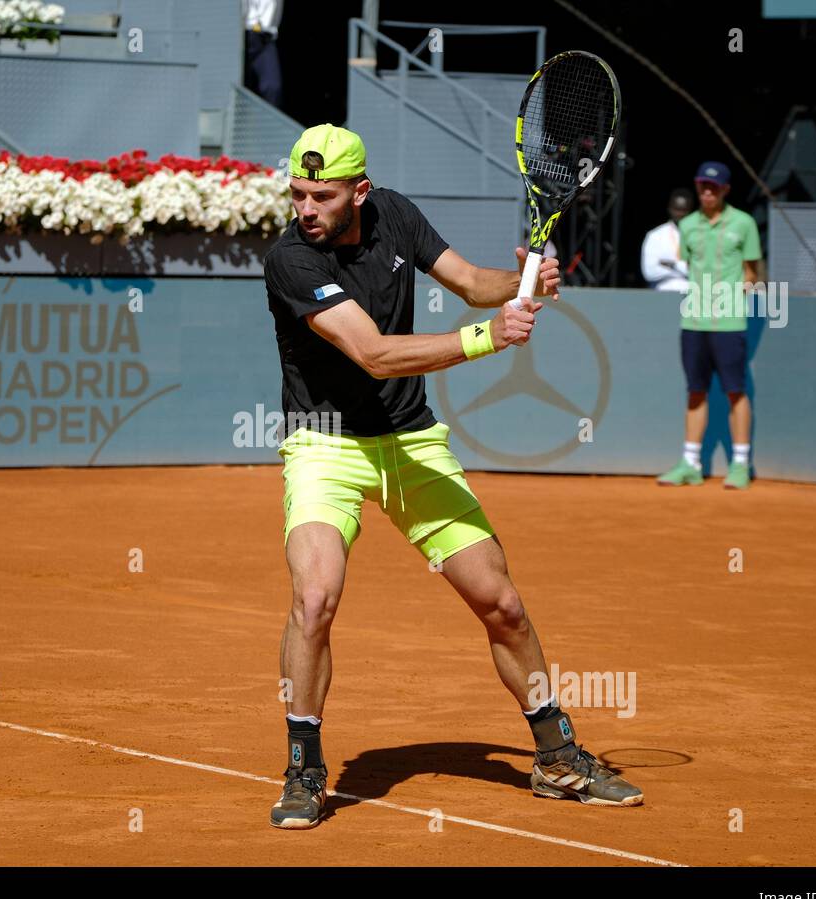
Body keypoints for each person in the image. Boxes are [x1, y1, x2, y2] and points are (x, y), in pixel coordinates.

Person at [261, 124, 644, 829]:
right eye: (297, 194)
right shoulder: (289, 258)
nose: (305, 209)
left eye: (322, 195)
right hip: (326, 446)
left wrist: (528, 282)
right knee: (314, 598)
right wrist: (488, 337)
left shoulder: (397, 215)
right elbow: (373, 355)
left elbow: (472, 284)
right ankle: (305, 767)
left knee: (501, 603)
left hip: (410, 443)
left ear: (361, 192)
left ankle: (556, 757)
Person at [656, 161, 762, 490]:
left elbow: (751, 272)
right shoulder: (687, 226)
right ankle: (690, 463)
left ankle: (741, 465)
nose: (707, 192)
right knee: (695, 392)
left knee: (735, 391)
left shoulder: (744, 224)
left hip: (729, 323)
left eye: (714, 187)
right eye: (702, 186)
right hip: (694, 321)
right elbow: (690, 266)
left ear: (726, 190)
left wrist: (736, 293)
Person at [641, 188, 693, 292]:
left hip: (692, 295)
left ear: (690, 211)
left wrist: (672, 265)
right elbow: (649, 272)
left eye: (684, 210)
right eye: (677, 209)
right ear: (669, 209)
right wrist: (685, 268)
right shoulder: (655, 235)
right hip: (662, 293)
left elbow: (703, 272)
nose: (680, 214)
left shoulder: (700, 236)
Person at [242, 0, 284, 109]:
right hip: (243, 37)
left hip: (266, 38)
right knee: (242, 85)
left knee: (272, 87)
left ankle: (269, 123)